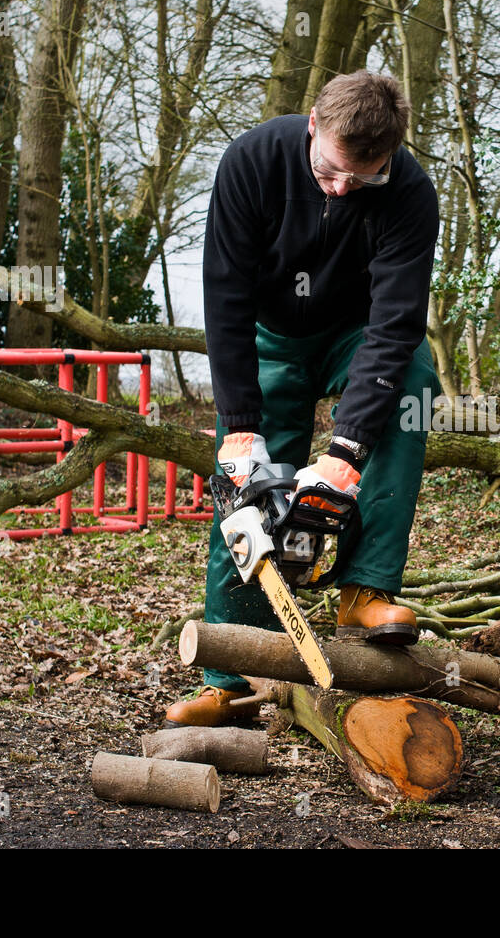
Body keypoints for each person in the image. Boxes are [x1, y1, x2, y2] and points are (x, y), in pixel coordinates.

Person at [165, 71, 440, 727]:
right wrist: (239, 425)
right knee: (244, 492)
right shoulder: (251, 161)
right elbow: (224, 294)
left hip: (358, 333)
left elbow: (396, 322)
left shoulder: (409, 194)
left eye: (362, 178)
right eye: (330, 172)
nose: (342, 189)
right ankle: (229, 682)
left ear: (391, 157)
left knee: (414, 384)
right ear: (313, 123)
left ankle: (365, 589)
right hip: (267, 335)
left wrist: (346, 452)